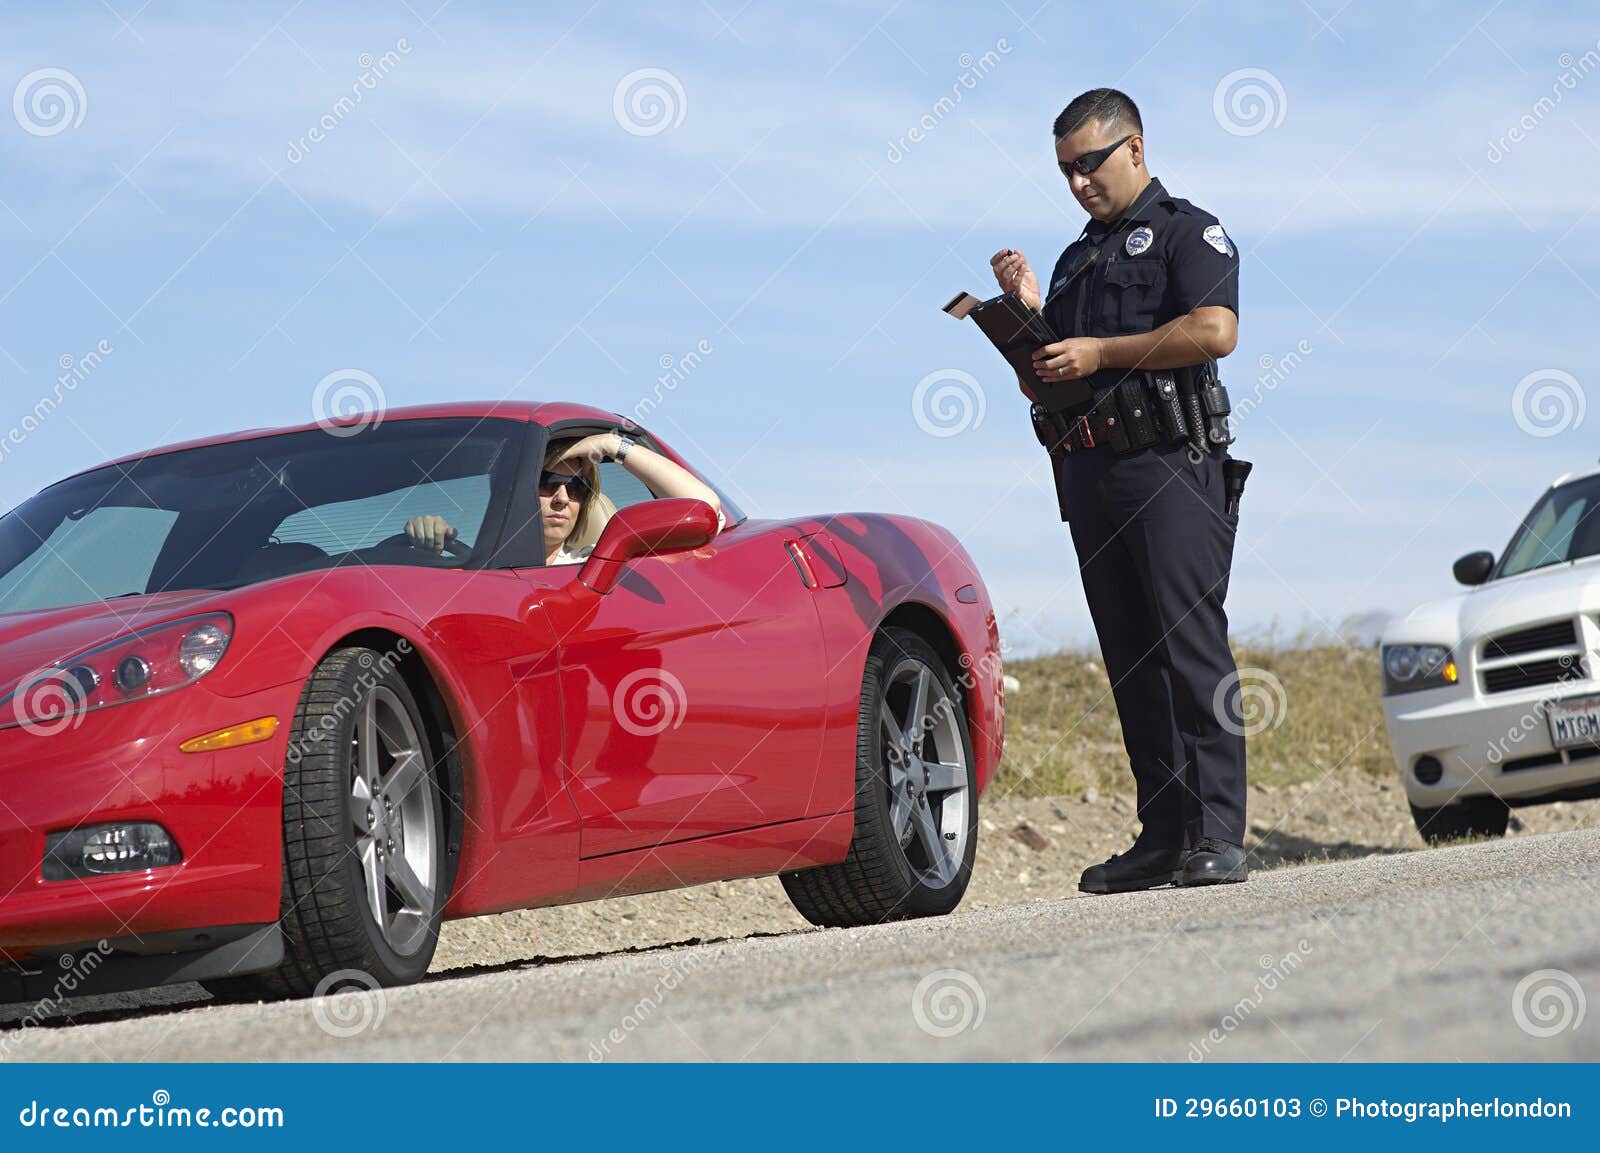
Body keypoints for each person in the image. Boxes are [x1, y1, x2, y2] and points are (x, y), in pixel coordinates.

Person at [991, 88, 1249, 893]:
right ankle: (1163, 835)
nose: (1078, 184)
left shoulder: (1186, 230)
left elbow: (1215, 331)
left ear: (1134, 148)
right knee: (1132, 658)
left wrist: (1102, 353)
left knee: (1189, 648)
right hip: (1091, 471)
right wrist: (1027, 314)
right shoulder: (1077, 258)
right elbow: (1054, 376)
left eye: (1089, 165)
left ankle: (1218, 834)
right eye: (1065, 171)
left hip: (1171, 468)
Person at [403, 430, 723, 565]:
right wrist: (422, 541)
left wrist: (614, 445)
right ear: (509, 492)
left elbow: (706, 507)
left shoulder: (592, 565)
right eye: (547, 482)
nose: (561, 498)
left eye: (576, 488)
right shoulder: (469, 569)